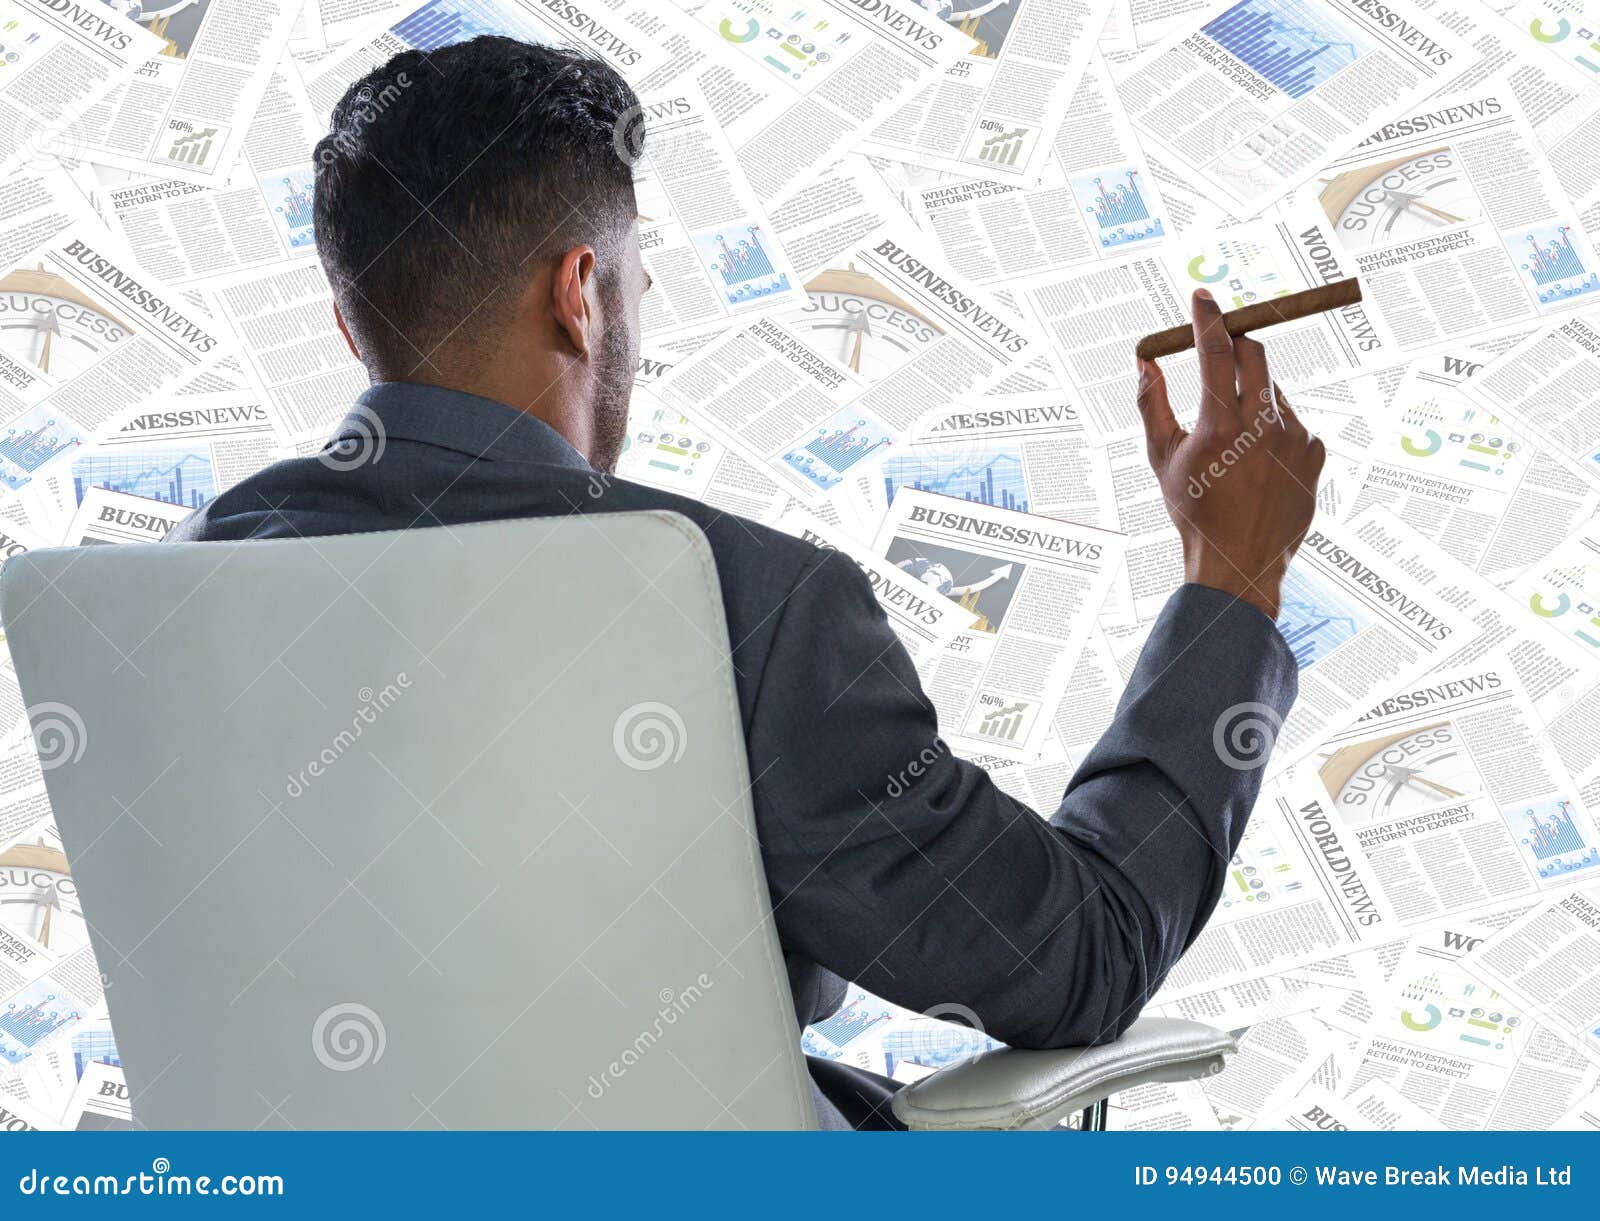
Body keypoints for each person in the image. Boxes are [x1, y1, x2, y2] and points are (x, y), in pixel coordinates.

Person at [170, 36, 1324, 1129]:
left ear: (346, 321)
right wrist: (1232, 578)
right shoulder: (735, 604)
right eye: (636, 284)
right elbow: (1076, 962)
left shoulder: (181, 592)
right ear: (579, 293)